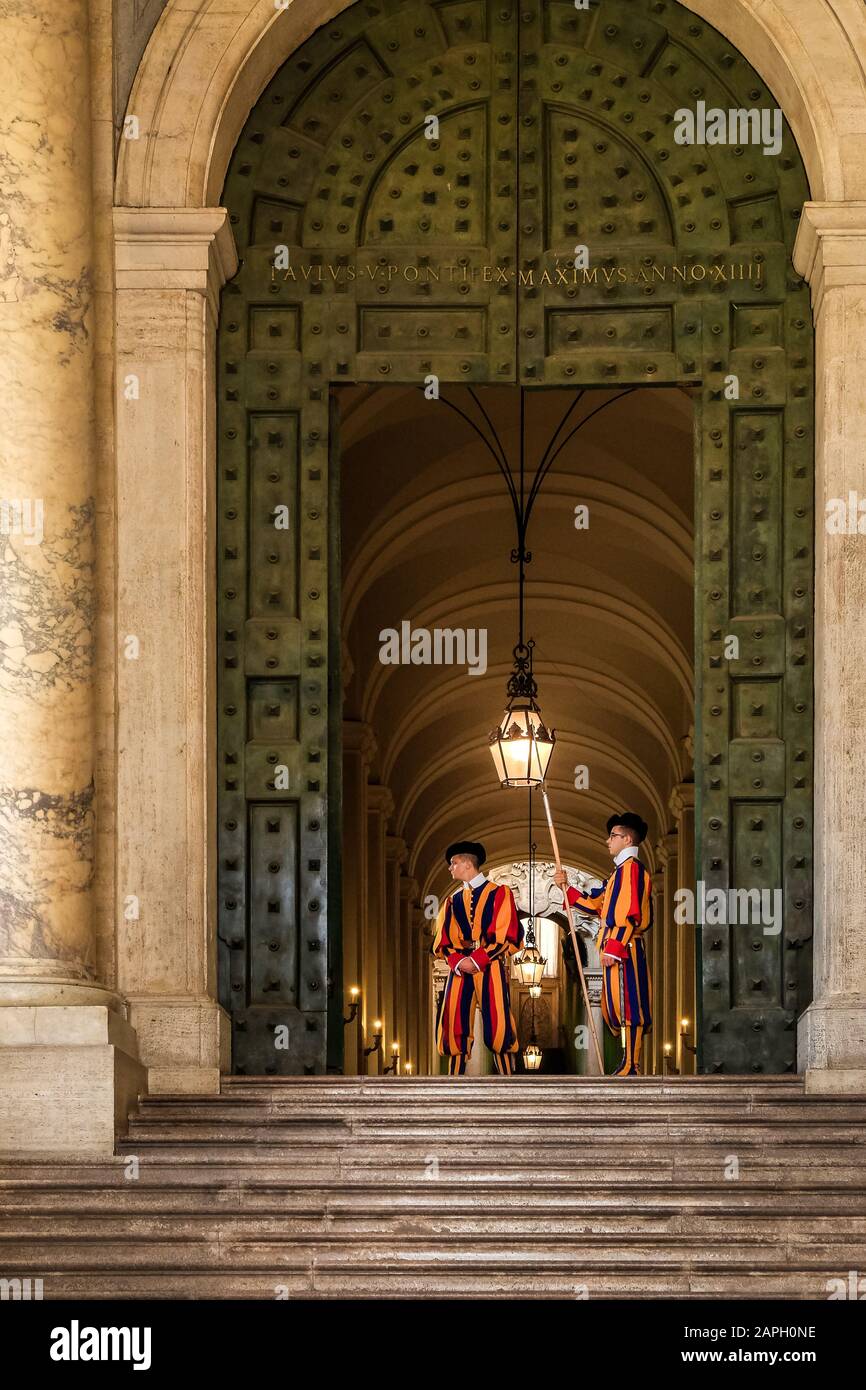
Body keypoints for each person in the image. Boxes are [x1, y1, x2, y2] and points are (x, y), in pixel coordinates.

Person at [554, 813, 652, 1076]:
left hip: (625, 948)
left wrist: (614, 947)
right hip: (616, 948)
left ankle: (632, 1063)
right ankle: (626, 1060)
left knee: (630, 1004)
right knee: (618, 1008)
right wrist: (567, 889)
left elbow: (629, 912)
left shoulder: (632, 869)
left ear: (627, 839)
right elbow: (595, 904)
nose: (608, 841)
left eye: (613, 836)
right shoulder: (617, 874)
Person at [431, 840, 523, 1075]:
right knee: (455, 1019)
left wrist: (478, 959)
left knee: (497, 1018)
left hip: (489, 965)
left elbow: (506, 933)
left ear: (466, 863)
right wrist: (459, 962)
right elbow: (444, 940)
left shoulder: (500, 893)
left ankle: (506, 1079)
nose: (450, 869)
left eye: (453, 864)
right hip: (460, 969)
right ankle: (454, 1081)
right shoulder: (452, 901)